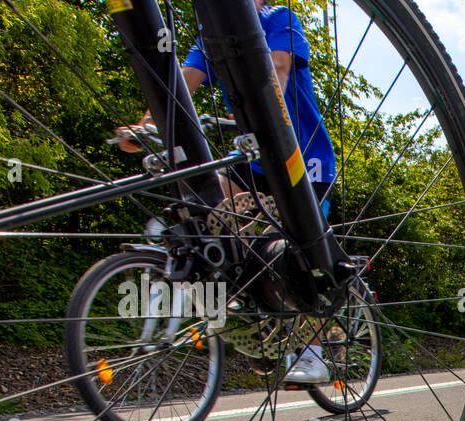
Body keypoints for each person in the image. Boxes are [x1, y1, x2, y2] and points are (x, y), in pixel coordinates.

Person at [116, 2, 338, 386]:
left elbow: (279, 68)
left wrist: (260, 118)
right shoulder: (209, 37)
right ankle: (252, 316)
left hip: (303, 156)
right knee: (212, 219)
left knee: (303, 253)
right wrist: (148, 124)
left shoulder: (278, 18)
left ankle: (313, 354)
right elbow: (183, 80)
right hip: (251, 157)